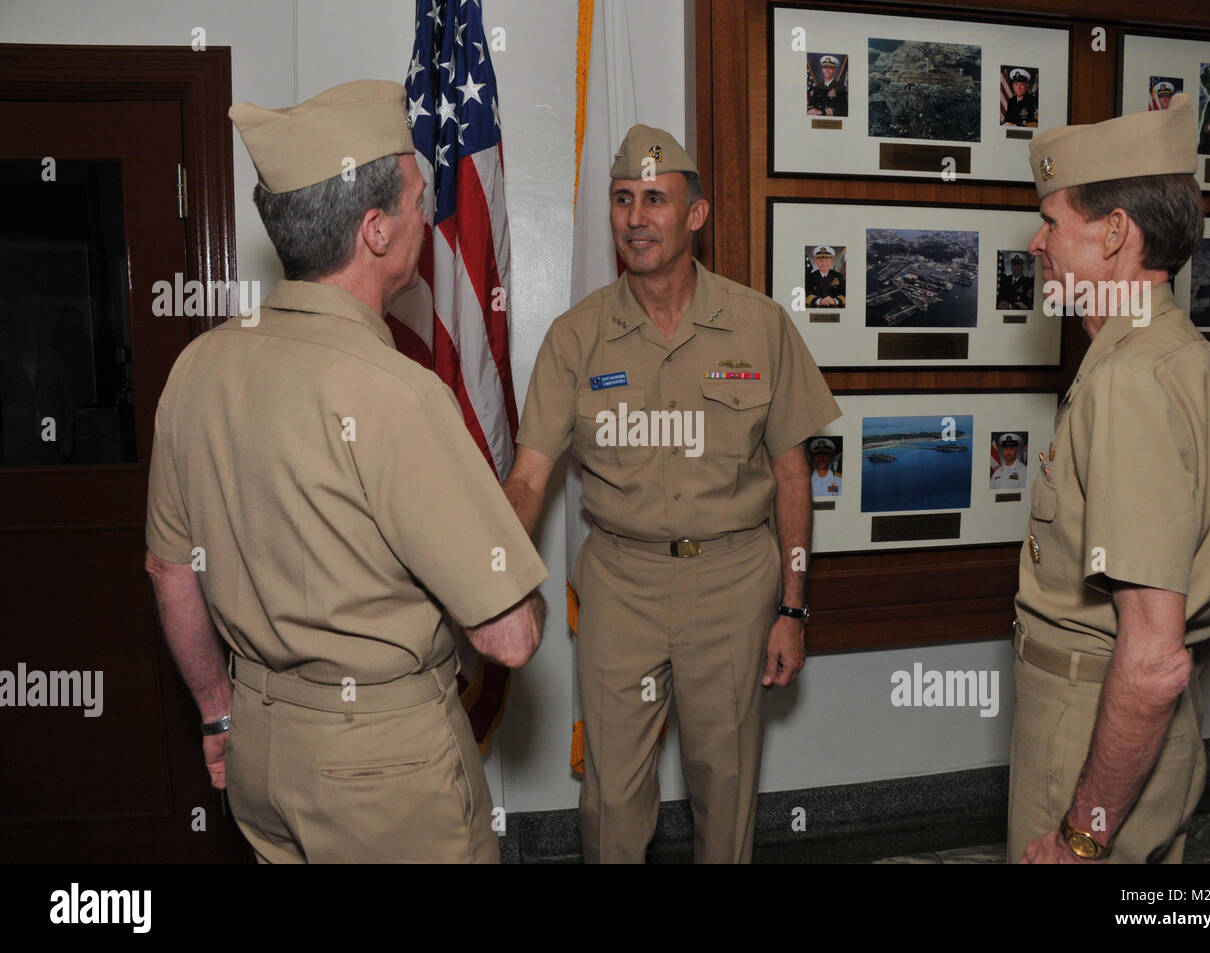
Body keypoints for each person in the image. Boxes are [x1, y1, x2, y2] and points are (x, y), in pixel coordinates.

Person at [143, 80, 547, 863]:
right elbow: (510, 635)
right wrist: (510, 513)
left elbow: (169, 572)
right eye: (419, 199)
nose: (429, 217)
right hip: (385, 774)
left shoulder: (196, 368)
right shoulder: (397, 393)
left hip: (259, 747)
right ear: (375, 230)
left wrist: (219, 712)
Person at [503, 124, 840, 863]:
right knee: (612, 801)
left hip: (735, 584)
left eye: (656, 199)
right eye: (623, 199)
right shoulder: (577, 336)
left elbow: (792, 476)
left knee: (727, 788)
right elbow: (528, 477)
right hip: (623, 583)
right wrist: (493, 585)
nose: (635, 217)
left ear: (696, 215)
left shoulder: (760, 325)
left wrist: (792, 604)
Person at [1010, 93, 1210, 863]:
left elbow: (1148, 660)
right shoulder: (1184, 357)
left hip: (1088, 733)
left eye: (1052, 220)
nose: (1036, 241)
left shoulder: (1132, 381)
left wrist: (1083, 833)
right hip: (1139, 732)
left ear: (1114, 233)